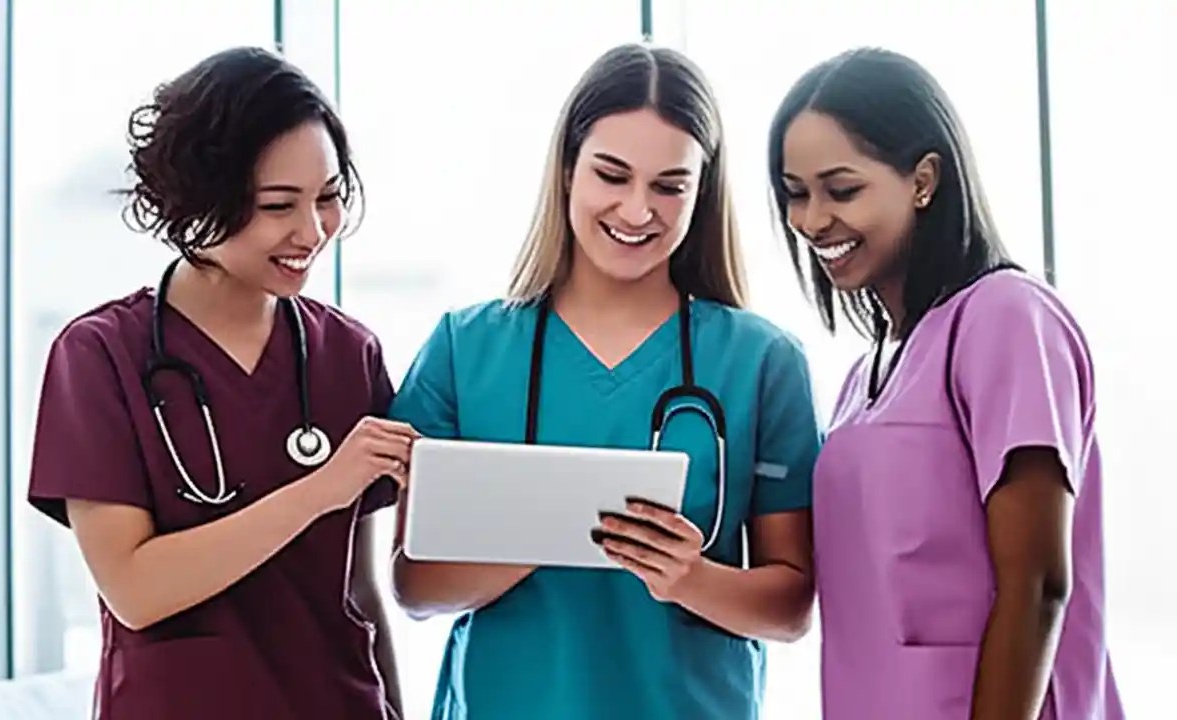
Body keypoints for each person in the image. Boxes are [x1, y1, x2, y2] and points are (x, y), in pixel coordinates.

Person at [388, 43, 822, 720]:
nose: (636, 209)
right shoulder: (463, 349)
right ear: (567, 171)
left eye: (669, 186)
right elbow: (414, 585)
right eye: (611, 175)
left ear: (700, 192)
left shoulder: (762, 362)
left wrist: (691, 578)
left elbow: (791, 606)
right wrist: (538, 530)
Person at [26, 46, 416, 720]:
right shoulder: (99, 357)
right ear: (200, 198)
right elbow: (135, 588)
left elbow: (359, 593)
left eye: (328, 198)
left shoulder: (347, 354)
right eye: (276, 205)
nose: (312, 231)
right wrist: (318, 491)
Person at [769, 47, 1125, 719]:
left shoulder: (1006, 317)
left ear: (924, 180)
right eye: (796, 193)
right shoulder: (863, 379)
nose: (813, 220)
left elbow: (1039, 583)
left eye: (842, 190)